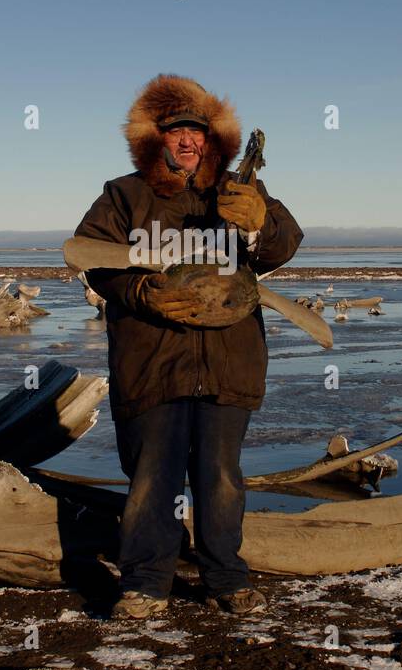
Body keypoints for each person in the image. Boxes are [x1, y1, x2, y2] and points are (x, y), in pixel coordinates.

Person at [72, 73, 304, 618]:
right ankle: (146, 585)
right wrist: (141, 290)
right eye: (176, 131)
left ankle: (226, 580)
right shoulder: (123, 196)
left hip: (228, 365)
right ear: (154, 139)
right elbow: (88, 256)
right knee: (152, 478)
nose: (187, 141)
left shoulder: (242, 192)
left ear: (214, 140)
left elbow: (282, 247)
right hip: (151, 364)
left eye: (197, 132)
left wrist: (258, 224)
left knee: (221, 479)